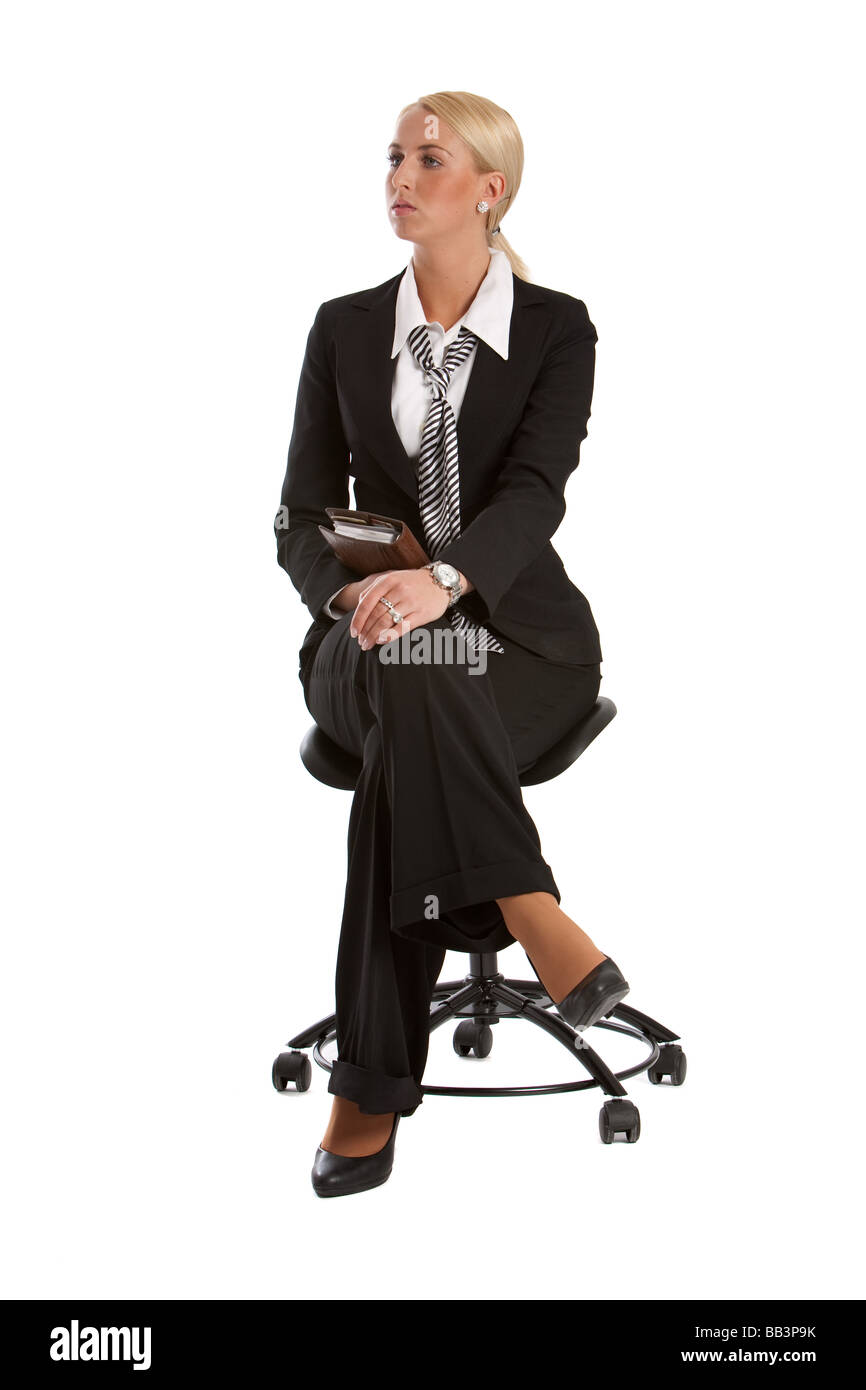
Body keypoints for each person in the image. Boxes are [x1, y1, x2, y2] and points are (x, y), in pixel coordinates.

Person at [274, 90, 631, 1198]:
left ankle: (370, 1088)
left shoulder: (556, 327)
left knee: (413, 713)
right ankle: (526, 902)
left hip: (524, 650)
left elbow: (533, 496)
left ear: (489, 189)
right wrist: (353, 601)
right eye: (393, 156)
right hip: (360, 641)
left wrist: (442, 582)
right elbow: (297, 515)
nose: (400, 176)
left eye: (430, 160)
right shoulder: (342, 327)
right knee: (406, 662)